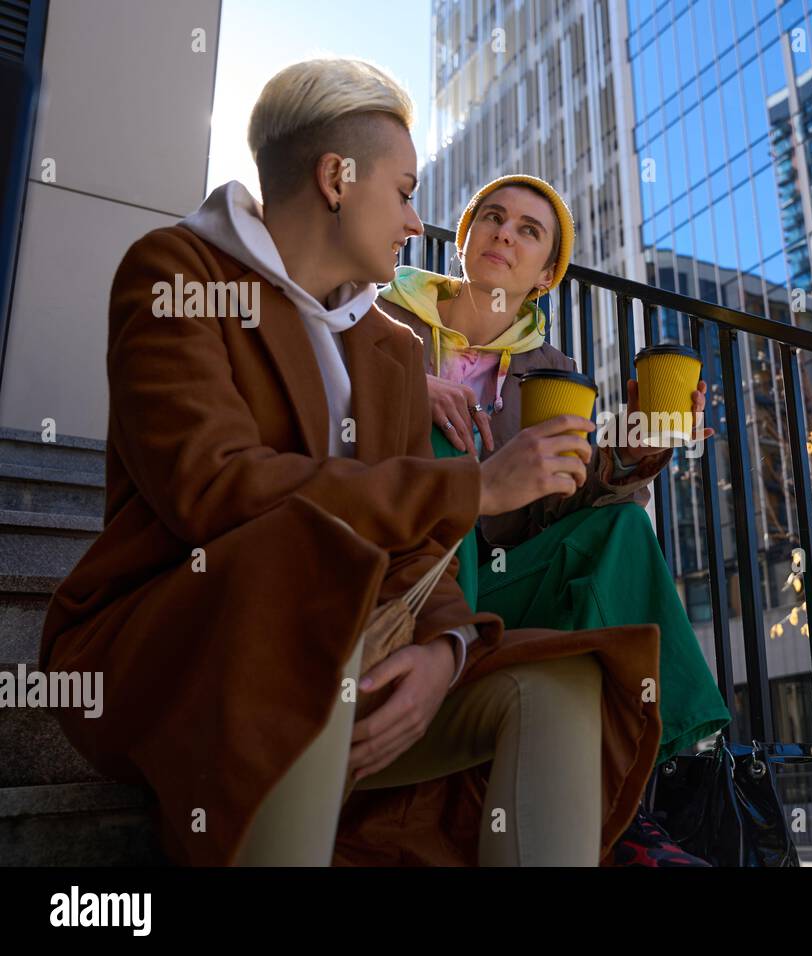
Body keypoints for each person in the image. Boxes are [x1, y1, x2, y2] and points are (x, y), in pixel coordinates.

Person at [39, 59, 662, 867]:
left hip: (368, 654)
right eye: (404, 191)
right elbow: (216, 487)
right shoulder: (177, 274)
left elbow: (423, 556)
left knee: (566, 681)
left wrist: (447, 652)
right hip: (185, 644)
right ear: (336, 177)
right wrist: (473, 485)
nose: (415, 222)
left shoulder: (392, 351)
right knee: (307, 566)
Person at [376, 174, 732, 865]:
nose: (505, 233)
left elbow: (557, 504)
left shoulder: (552, 371)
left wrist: (626, 459)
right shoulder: (382, 318)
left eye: (529, 231)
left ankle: (658, 773)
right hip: (402, 572)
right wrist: (406, 383)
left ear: (545, 276)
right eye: (494, 218)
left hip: (497, 578)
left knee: (622, 528)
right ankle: (627, 793)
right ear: (467, 238)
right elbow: (323, 372)